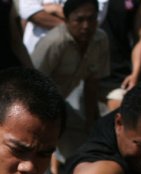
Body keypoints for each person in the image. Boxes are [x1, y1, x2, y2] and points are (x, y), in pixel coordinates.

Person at [32, 0, 111, 158]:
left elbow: (92, 84)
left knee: (82, 148)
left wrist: (90, 122)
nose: (86, 26)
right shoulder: (54, 43)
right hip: (35, 105)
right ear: (67, 20)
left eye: (91, 19)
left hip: (60, 102)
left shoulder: (100, 39)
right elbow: (31, 84)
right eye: (79, 20)